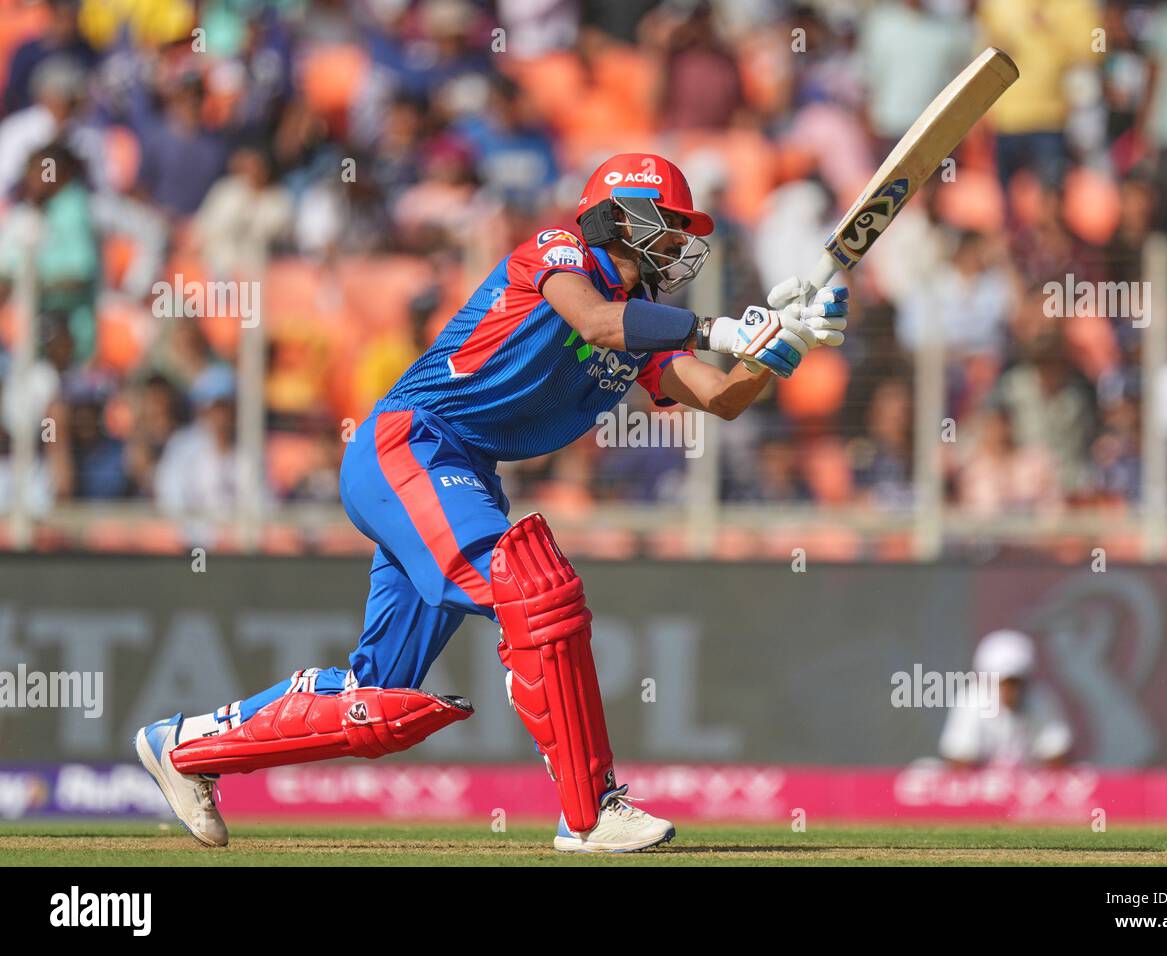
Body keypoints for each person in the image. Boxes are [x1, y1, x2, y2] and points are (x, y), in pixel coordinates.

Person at [135, 152, 848, 853]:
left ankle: (184, 747)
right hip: (409, 444)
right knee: (536, 593)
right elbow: (596, 322)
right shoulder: (560, 250)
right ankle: (591, 813)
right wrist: (722, 328)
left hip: (461, 469)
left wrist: (777, 349)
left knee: (374, 697)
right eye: (669, 226)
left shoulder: (643, 322)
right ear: (621, 218)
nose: (680, 244)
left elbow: (720, 399)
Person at [938, 629, 1073, 768]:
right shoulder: (971, 700)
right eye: (1004, 683)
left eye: (1016, 683)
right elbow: (958, 761)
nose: (1011, 691)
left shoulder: (1042, 700)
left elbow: (1057, 758)